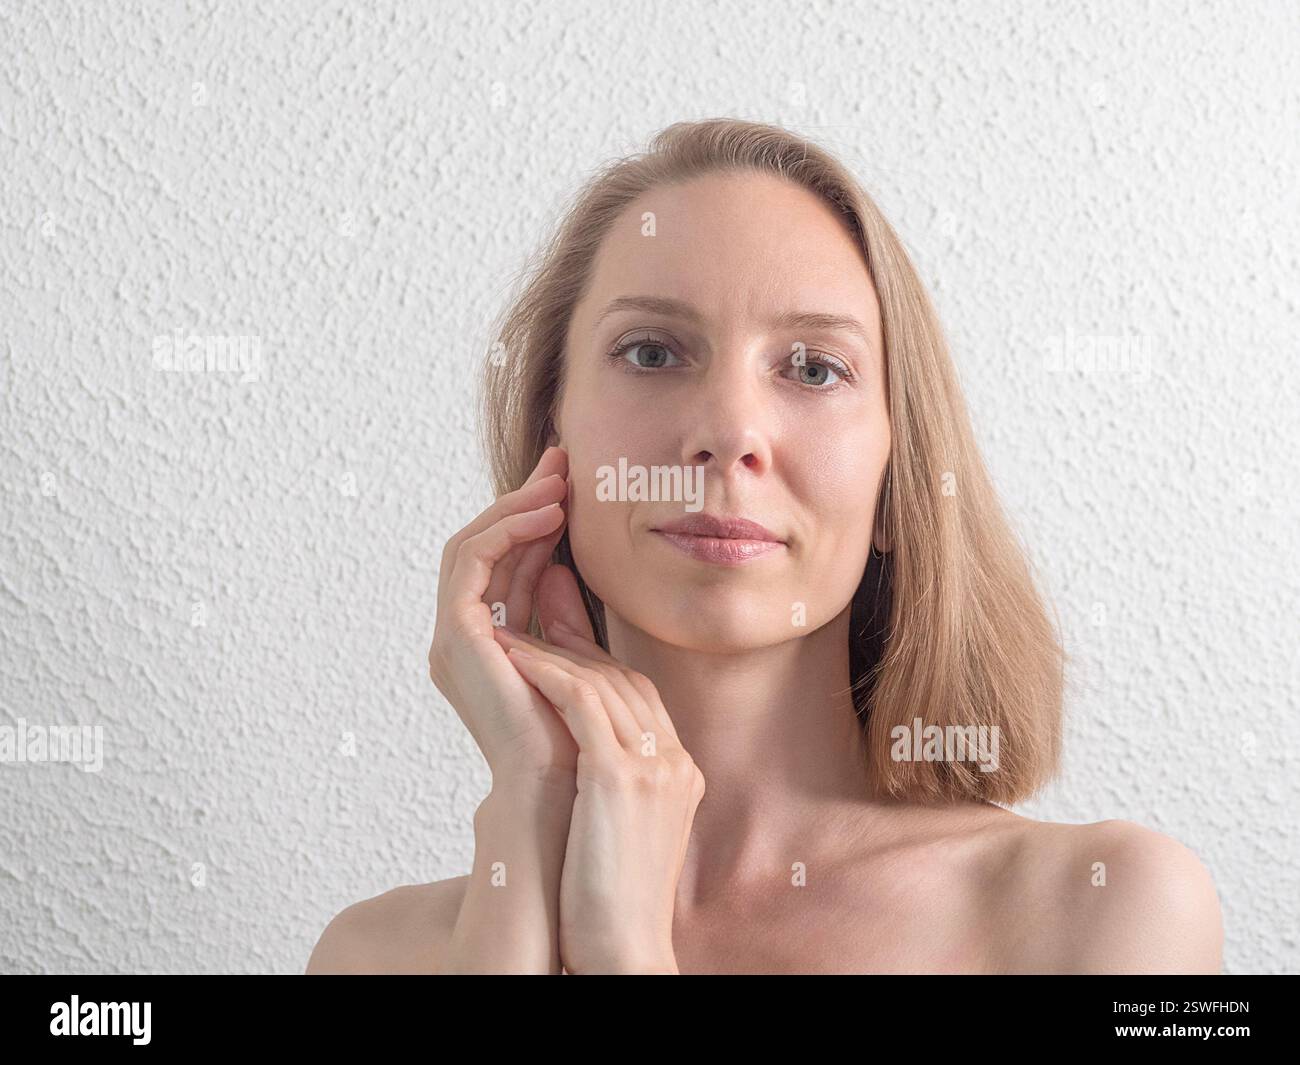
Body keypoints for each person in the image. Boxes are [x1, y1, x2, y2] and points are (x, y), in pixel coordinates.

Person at [307, 118, 1222, 974]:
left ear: (897, 479)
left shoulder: (1112, 913)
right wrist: (532, 811)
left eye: (815, 367)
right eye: (653, 353)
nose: (729, 430)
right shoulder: (372, 956)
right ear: (555, 432)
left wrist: (624, 948)